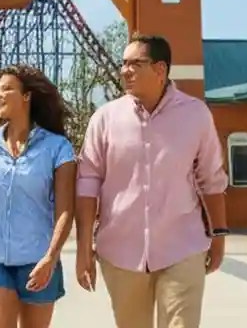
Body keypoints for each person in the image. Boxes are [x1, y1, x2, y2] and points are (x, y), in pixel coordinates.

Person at [74, 35, 230, 328]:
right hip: (120, 250)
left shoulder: (195, 115)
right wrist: (84, 245)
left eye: (135, 64)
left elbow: (211, 178)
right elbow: (87, 183)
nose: (124, 71)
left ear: (160, 70)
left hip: (183, 246)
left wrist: (219, 234)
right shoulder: (104, 119)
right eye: (123, 64)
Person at [0, 65, 77, 328]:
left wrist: (51, 257)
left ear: (26, 96)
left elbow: (65, 210)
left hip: (39, 258)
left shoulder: (58, 147)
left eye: (6, 89)